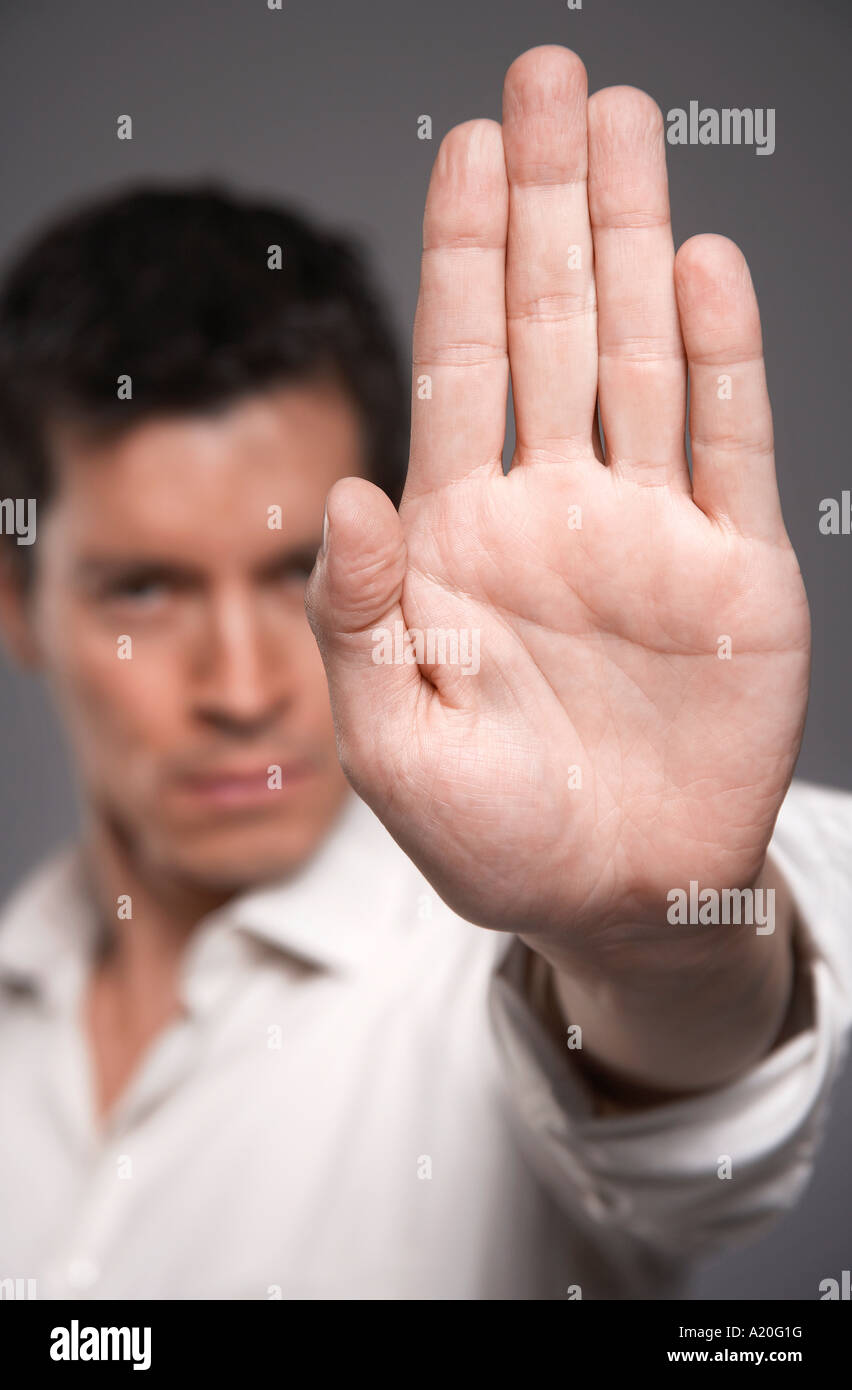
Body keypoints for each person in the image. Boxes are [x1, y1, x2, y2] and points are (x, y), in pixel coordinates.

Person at [0, 45, 849, 1301]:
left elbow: (688, 1112)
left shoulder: (509, 951)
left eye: (304, 572)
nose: (241, 686)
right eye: (147, 588)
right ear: (16, 599)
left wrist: (655, 947)